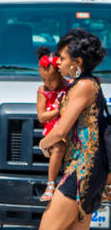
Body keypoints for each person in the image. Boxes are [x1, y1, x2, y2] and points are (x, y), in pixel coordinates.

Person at [38, 28, 109, 230]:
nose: (58, 61)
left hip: (82, 169)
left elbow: (62, 128)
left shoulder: (84, 87)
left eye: (63, 57)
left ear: (77, 61)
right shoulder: (85, 83)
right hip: (88, 170)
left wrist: (44, 143)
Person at [36, 51, 69, 202]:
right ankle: (50, 184)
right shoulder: (43, 91)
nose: (47, 83)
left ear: (61, 74)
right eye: (43, 79)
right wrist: (57, 110)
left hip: (69, 127)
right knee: (58, 148)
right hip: (53, 128)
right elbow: (41, 116)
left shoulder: (69, 86)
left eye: (51, 80)